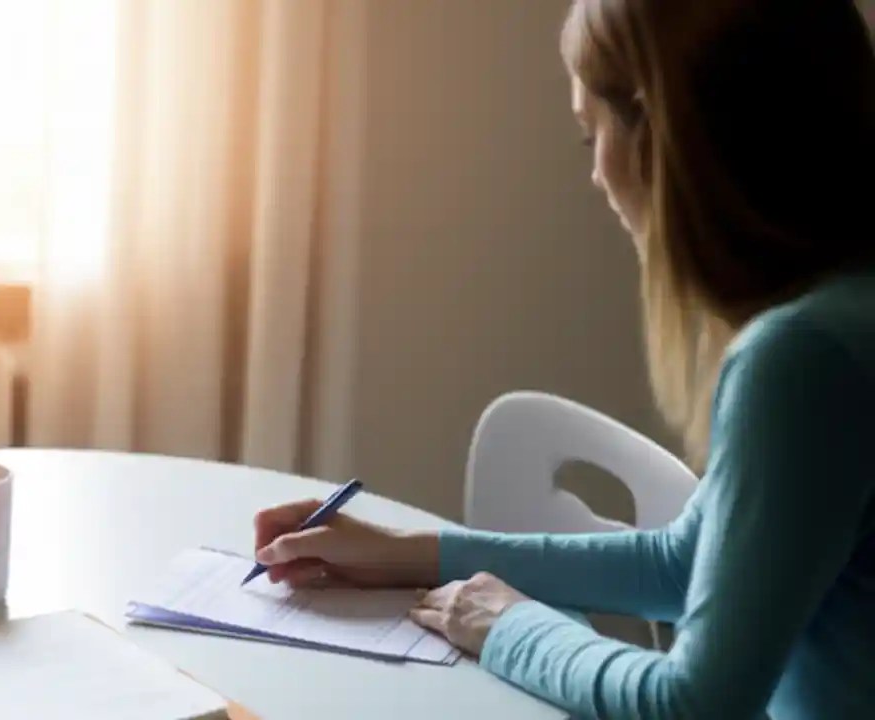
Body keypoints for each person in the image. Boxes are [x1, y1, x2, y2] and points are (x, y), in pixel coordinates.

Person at [250, 1, 875, 718]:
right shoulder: (844, 315)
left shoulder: (805, 362)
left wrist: (508, 625)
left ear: (660, 138)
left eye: (590, 138)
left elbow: (694, 704)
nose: (598, 178)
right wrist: (402, 551)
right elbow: (687, 561)